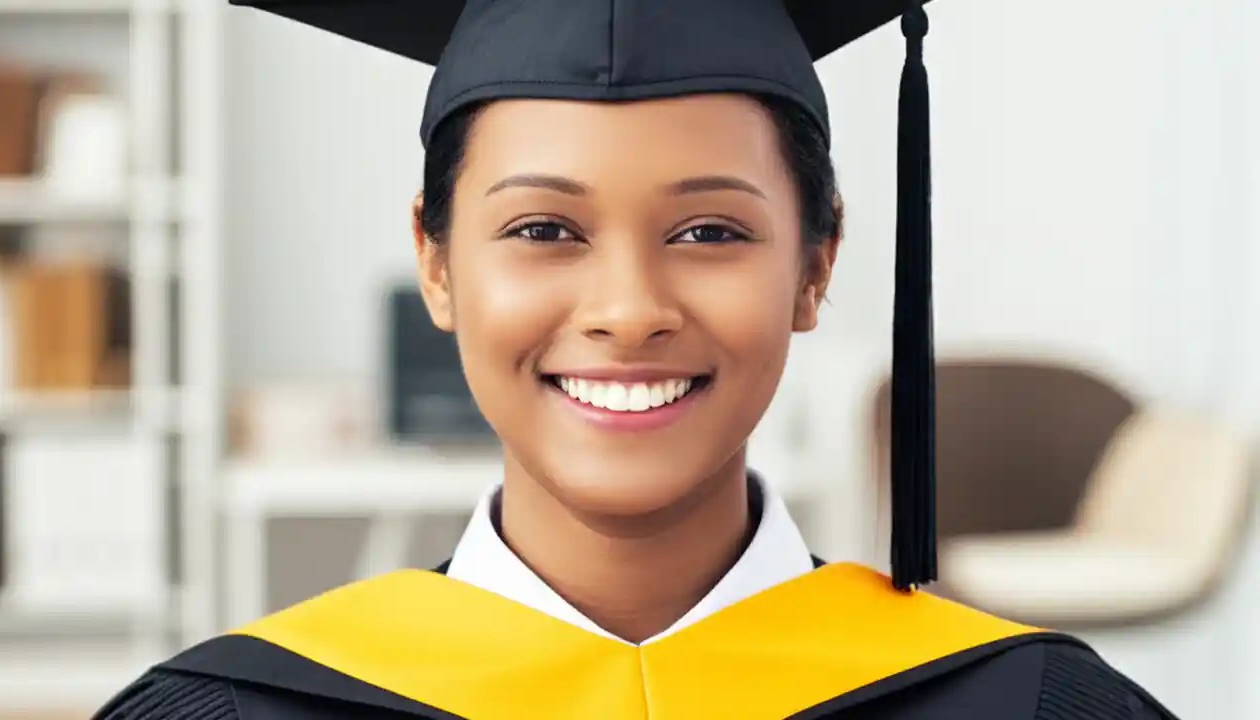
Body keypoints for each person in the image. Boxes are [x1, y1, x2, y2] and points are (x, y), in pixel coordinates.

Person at [95, 0, 1180, 718]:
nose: (627, 311)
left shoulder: (1030, 710)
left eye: (709, 232)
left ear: (814, 266)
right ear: (435, 261)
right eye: (542, 231)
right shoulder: (233, 713)